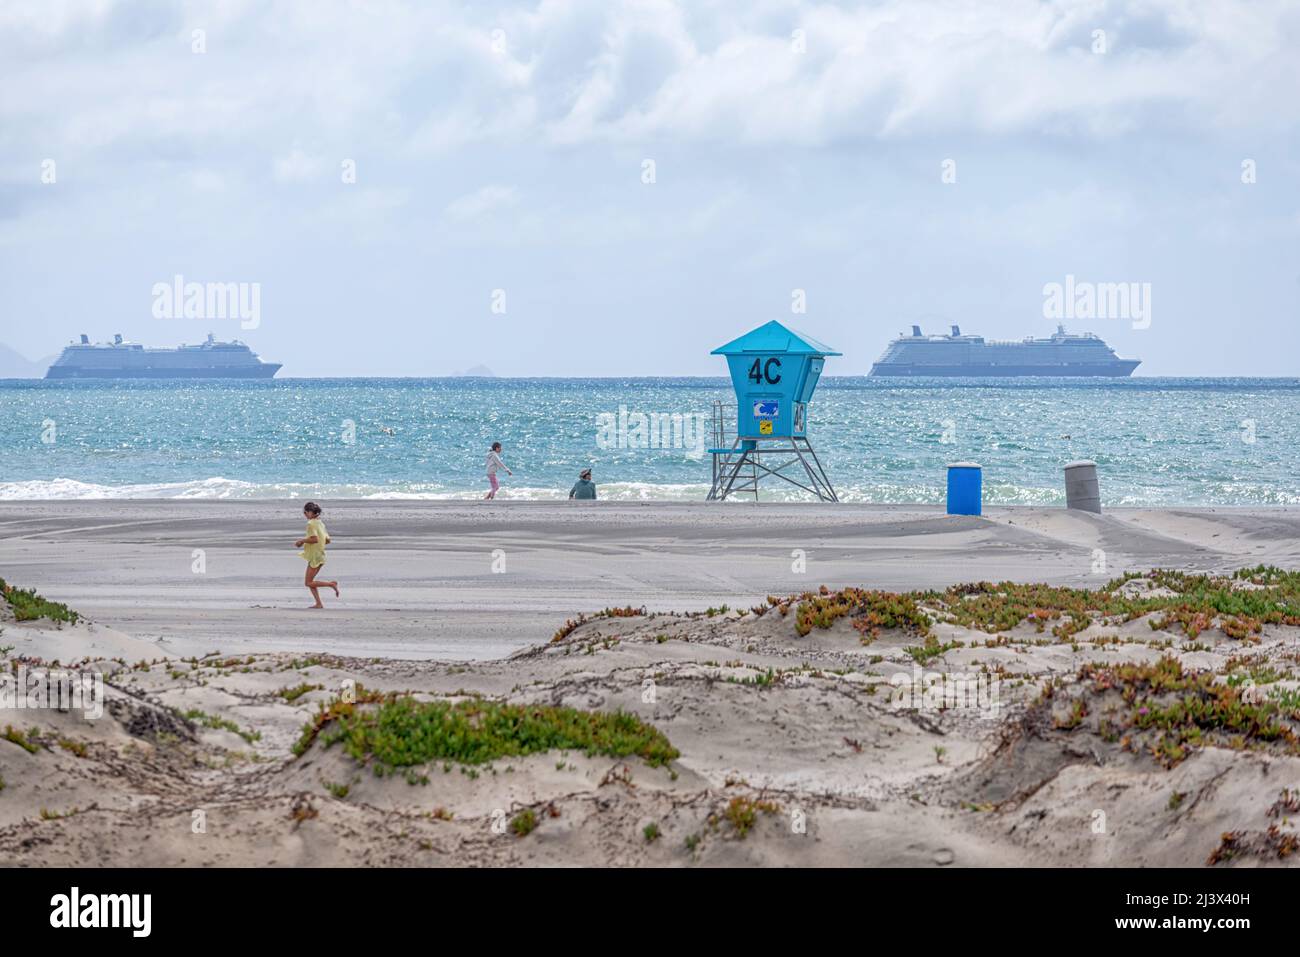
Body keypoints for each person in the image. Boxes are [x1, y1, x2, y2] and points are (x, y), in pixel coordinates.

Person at [294, 501, 338, 608]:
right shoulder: (320, 523)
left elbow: (314, 539)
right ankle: (318, 603)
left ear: (310, 512)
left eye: (306, 512)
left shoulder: (311, 524)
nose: (305, 514)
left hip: (315, 556)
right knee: (311, 581)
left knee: (308, 582)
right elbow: (327, 540)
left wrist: (301, 541)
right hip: (320, 554)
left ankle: (331, 584)